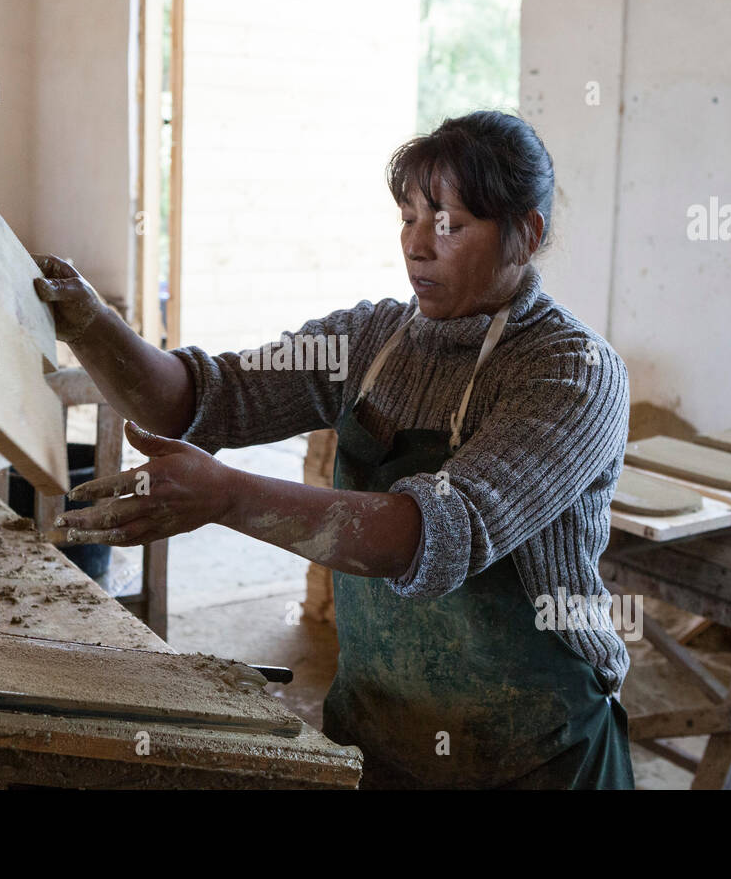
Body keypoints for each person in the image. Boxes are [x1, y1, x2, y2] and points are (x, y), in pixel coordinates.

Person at [35, 110, 634, 789]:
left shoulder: (573, 370)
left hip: (537, 752)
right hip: (381, 731)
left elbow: (435, 536)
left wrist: (229, 495)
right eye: (407, 216)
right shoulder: (370, 340)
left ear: (526, 234)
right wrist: (89, 322)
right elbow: (198, 399)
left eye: (447, 223)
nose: (416, 244)